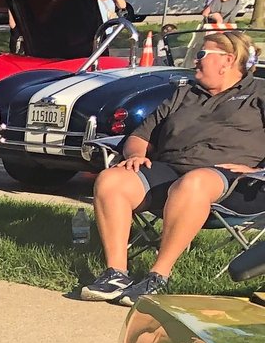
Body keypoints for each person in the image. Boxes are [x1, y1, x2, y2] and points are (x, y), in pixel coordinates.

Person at [80, 29, 265, 303]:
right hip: (170, 171)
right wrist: (135, 154)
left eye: (202, 53)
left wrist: (257, 170)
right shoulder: (183, 94)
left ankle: (158, 276)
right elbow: (139, 136)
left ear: (227, 60)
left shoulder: (259, 92)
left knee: (194, 182)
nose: (195, 60)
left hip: (237, 183)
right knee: (112, 180)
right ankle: (116, 273)